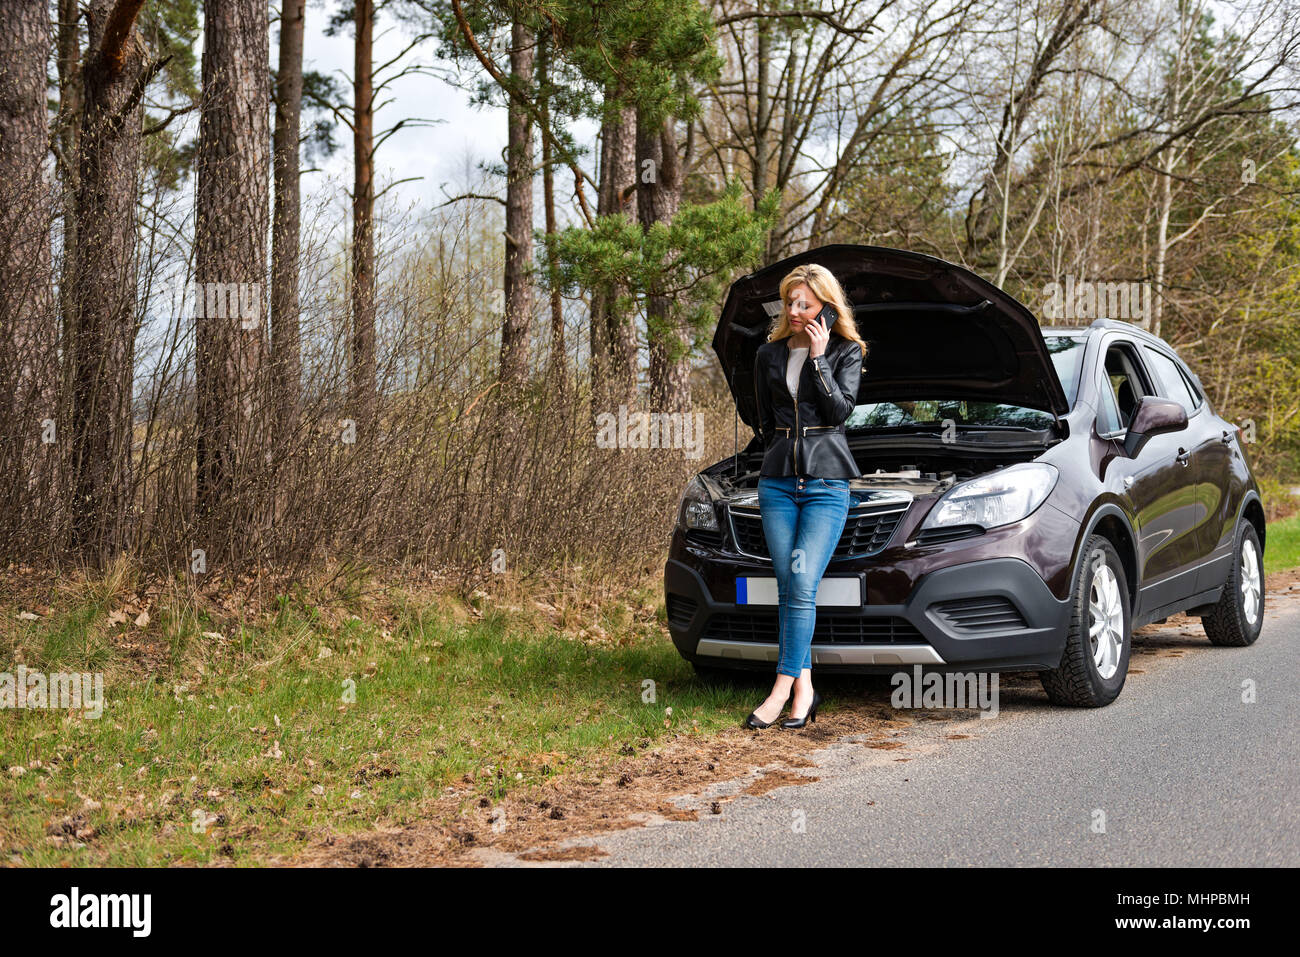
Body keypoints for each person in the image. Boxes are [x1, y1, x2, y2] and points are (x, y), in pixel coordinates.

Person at [745, 263, 868, 729]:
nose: (795, 312)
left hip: (825, 484)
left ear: (826, 309)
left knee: (801, 584)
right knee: (788, 587)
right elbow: (761, 418)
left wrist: (818, 359)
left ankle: (780, 688)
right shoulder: (768, 355)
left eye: (806, 305)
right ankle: (805, 687)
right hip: (776, 484)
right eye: (790, 303)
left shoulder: (846, 351)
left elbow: (839, 412)